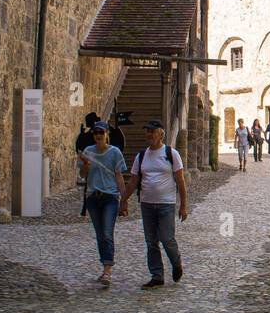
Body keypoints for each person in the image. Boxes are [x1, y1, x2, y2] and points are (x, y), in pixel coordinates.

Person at [121, 119, 188, 289]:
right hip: (147, 204)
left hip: (166, 203)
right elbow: (133, 181)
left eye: (152, 131)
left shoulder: (171, 154)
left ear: (161, 134)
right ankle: (157, 276)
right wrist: (123, 200)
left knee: (167, 238)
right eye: (147, 131)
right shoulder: (141, 156)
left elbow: (180, 181)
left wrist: (183, 205)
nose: (148, 134)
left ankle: (176, 261)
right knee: (151, 242)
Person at [77, 120, 127, 286]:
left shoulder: (115, 153)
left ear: (107, 135)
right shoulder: (88, 151)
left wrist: (124, 200)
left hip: (110, 197)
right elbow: (83, 175)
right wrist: (85, 164)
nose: (98, 135)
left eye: (101, 132)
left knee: (107, 232)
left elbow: (119, 176)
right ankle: (104, 266)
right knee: (100, 234)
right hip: (93, 197)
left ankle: (107, 270)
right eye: (96, 133)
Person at [75, 112, 99, 217]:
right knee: (89, 186)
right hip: (90, 163)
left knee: (89, 186)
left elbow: (79, 147)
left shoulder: (90, 135)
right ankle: (86, 207)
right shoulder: (89, 134)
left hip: (95, 162)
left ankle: (86, 208)